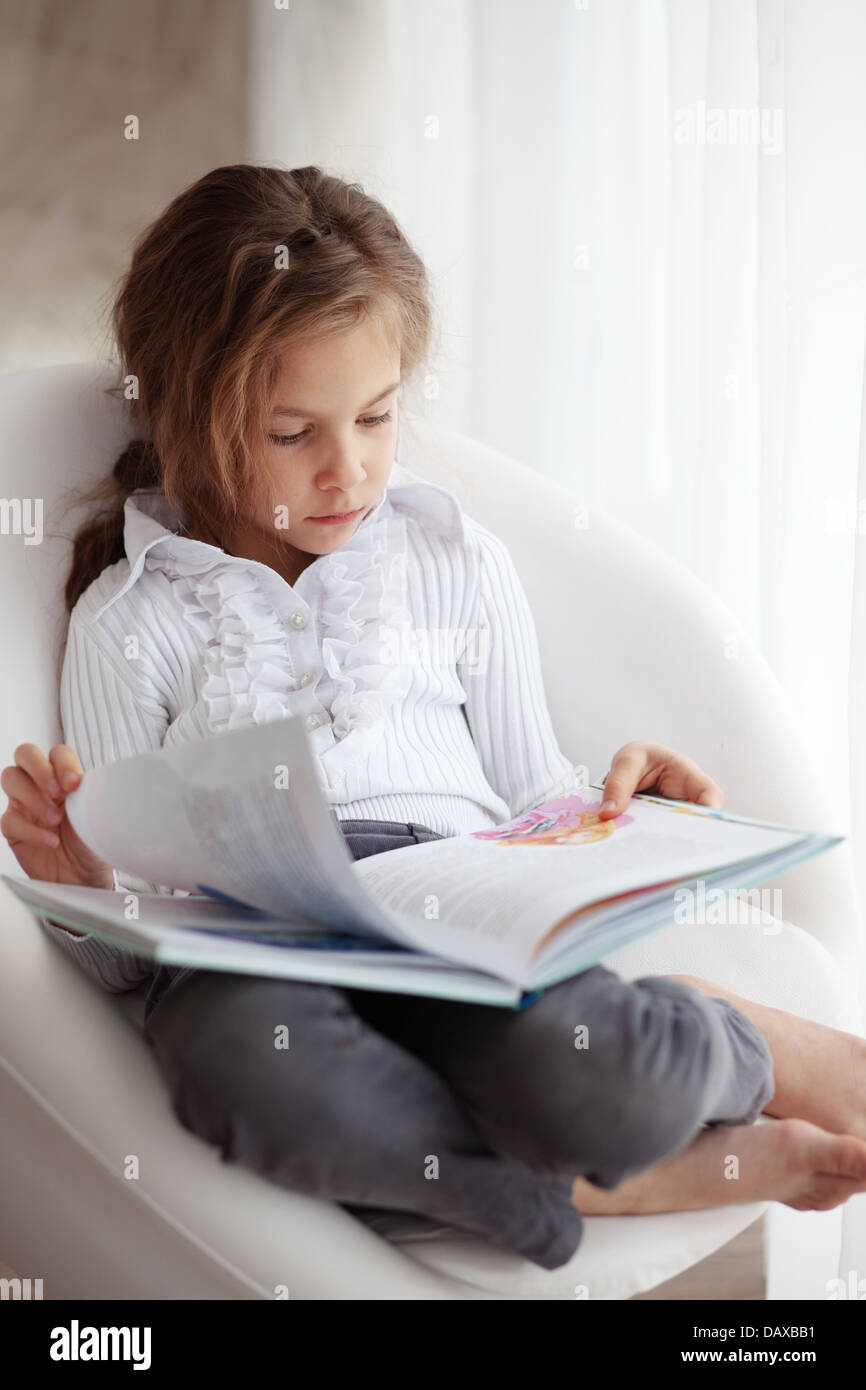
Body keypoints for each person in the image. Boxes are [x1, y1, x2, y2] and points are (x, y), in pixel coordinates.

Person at [4, 165, 866, 1272]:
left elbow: (533, 794)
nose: (346, 468)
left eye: (374, 416)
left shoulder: (450, 558)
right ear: (188, 414)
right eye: (291, 433)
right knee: (251, 1085)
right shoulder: (132, 621)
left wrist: (623, 801)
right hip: (253, 959)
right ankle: (577, 1196)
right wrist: (81, 879)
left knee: (589, 1075)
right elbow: (132, 958)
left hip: (456, 907)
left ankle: (722, 1037)